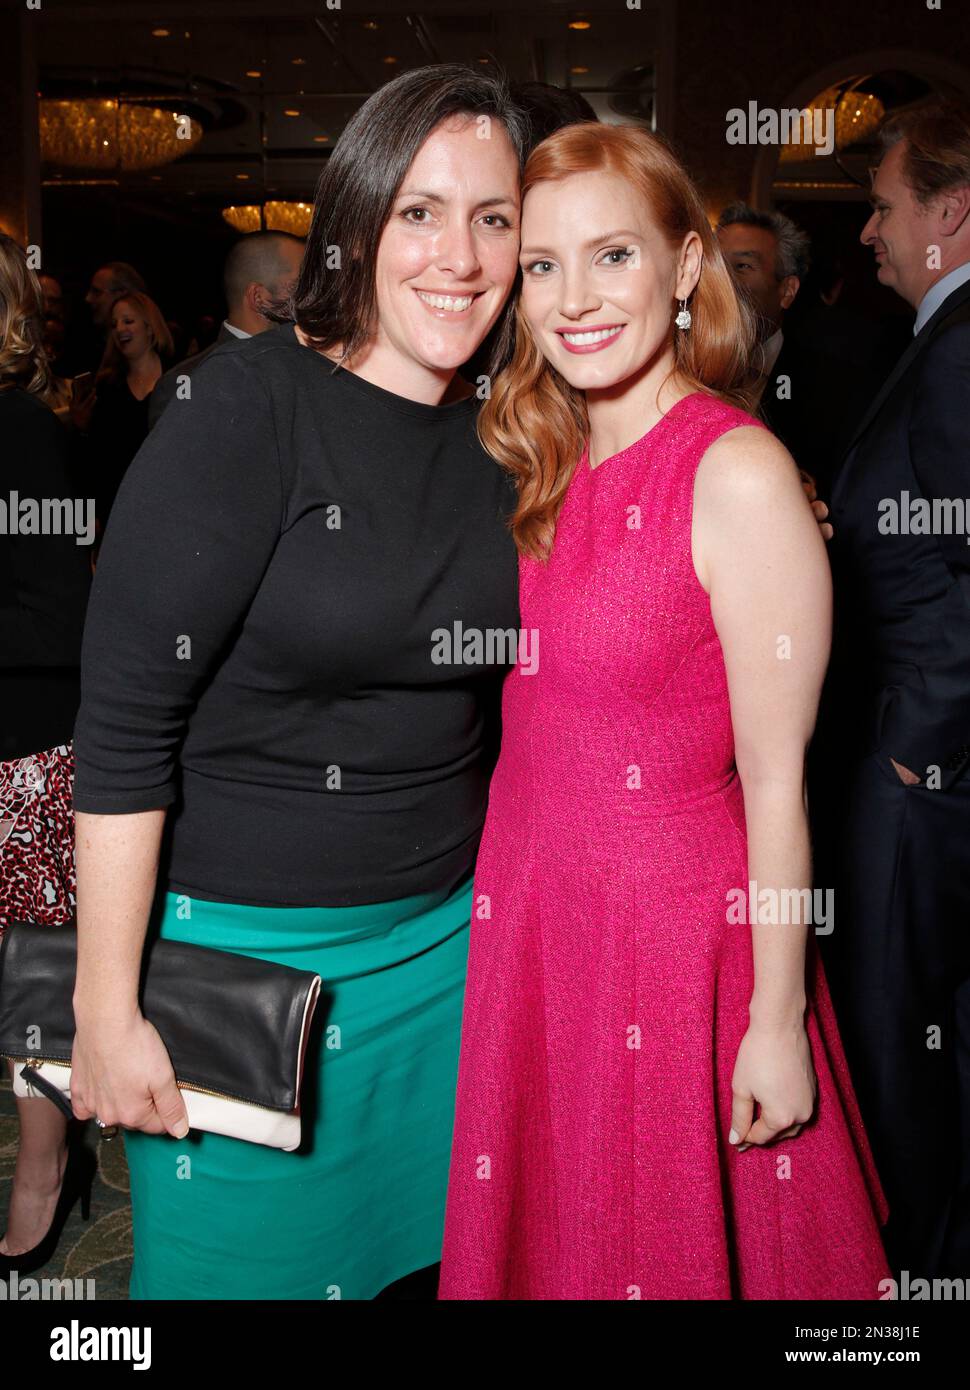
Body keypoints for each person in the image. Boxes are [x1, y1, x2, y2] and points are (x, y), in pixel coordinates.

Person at [69, 63, 527, 1301]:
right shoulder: (242, 410)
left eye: (494, 216)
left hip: (450, 958)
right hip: (249, 974)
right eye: (421, 211)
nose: (460, 256)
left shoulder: (514, 426)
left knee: (430, 1275)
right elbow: (120, 727)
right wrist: (105, 1014)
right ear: (359, 219)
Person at [439, 121, 891, 1300]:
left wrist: (778, 1016)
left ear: (685, 267)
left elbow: (781, 785)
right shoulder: (548, 454)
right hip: (539, 908)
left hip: (671, 940)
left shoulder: (734, 470)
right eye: (541, 265)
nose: (574, 299)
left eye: (614, 256)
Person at [818, 98, 970, 1282]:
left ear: (947, 209)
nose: (866, 232)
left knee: (892, 1046)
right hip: (913, 762)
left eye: (879, 205)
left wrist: (927, 747)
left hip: (918, 775)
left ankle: (916, 1281)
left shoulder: (963, 343)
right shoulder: (936, 336)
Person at [0, 232, 94, 1273]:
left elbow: (63, 618)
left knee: (33, 980)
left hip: (21, 759)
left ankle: (43, 1173)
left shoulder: (21, 430)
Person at [716, 203, 878, 499]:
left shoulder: (836, 387)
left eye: (742, 266)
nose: (723, 281)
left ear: (787, 291)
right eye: (715, 266)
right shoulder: (677, 370)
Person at [148, 231, 305, 429]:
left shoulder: (310, 367)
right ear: (258, 297)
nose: (312, 295)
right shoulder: (185, 383)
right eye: (299, 285)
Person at [72, 291, 173, 528]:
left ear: (150, 327)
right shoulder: (108, 388)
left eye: (128, 321)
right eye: (114, 324)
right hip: (117, 512)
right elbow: (97, 459)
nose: (119, 329)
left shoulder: (176, 380)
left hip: (166, 508)